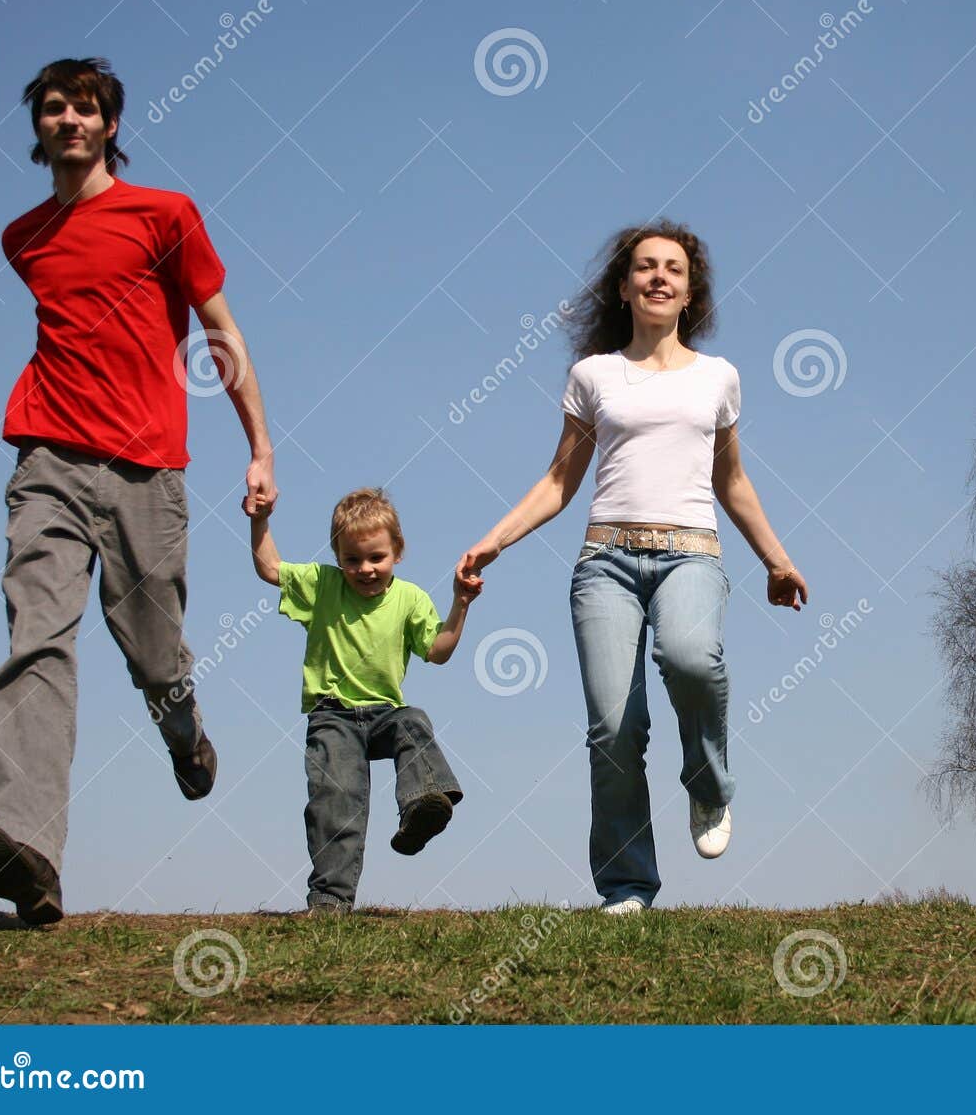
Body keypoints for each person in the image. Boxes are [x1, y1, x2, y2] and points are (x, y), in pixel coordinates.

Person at [0, 58, 277, 924]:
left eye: (86, 107)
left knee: (155, 655)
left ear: (110, 124)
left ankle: (184, 733)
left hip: (148, 465)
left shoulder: (165, 216)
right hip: (48, 462)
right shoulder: (22, 237)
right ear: (39, 126)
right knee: (36, 639)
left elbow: (221, 334)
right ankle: (25, 846)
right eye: (55, 107)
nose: (70, 119)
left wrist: (260, 447)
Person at [456, 221, 808, 914]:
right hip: (606, 562)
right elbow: (559, 480)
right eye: (644, 267)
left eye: (672, 269)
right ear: (623, 287)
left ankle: (707, 781)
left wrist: (778, 559)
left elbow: (732, 481)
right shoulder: (594, 375)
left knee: (691, 658)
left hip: (692, 556)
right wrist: (496, 539)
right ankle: (627, 884)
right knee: (614, 728)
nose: (658, 277)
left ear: (689, 292)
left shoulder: (718, 378)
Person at [252, 488, 480, 913]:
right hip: (332, 716)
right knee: (335, 799)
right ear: (337, 556)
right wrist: (259, 520)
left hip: (384, 714)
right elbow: (269, 567)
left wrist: (461, 604)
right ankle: (330, 900)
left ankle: (421, 809)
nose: (365, 569)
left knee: (414, 721)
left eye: (376, 557)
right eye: (352, 559)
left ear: (397, 551)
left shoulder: (410, 598)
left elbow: (438, 651)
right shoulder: (323, 585)